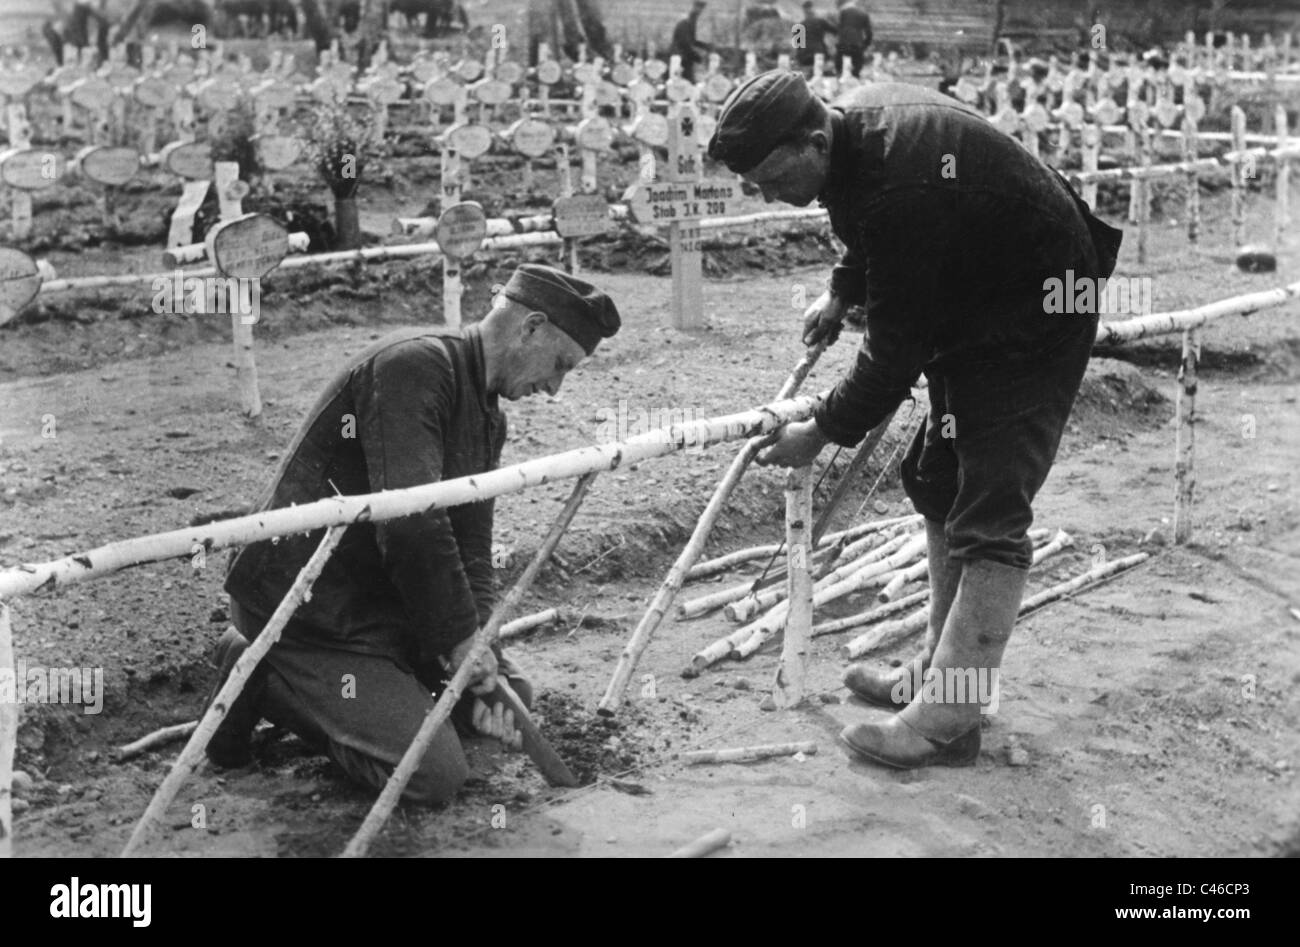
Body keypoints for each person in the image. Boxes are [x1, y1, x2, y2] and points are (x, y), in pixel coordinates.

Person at [707, 72, 1121, 769]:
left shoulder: (901, 184)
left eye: (771, 179)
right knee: (936, 480)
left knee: (989, 507)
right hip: (979, 290)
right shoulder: (851, 137)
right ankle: (935, 675)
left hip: (1038, 304)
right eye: (752, 186)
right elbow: (867, 230)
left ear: (813, 139)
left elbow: (890, 358)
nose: (765, 196)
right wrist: (841, 293)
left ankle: (947, 720)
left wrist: (819, 432)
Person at [207, 265, 621, 803]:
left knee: (504, 696)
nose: (554, 388)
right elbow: (411, 524)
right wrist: (454, 639)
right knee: (432, 777)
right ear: (531, 327)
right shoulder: (415, 367)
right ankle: (256, 667)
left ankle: (360, 692)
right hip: (307, 612)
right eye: (560, 365)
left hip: (378, 605)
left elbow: (471, 541)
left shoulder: (487, 412)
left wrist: (478, 643)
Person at [670, 0, 713, 83]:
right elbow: (686, 45)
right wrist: (698, 58)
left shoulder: (690, 24)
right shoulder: (684, 24)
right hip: (680, 60)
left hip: (686, 59)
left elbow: (692, 41)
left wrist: (706, 46)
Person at [795, 1, 837, 71]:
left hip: (804, 58)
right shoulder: (821, 21)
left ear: (804, 13)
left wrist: (798, 60)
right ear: (813, 11)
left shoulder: (798, 26)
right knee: (831, 64)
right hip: (819, 54)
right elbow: (835, 31)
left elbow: (797, 46)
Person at [834, 0, 872, 75]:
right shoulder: (864, 14)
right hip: (857, 45)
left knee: (840, 69)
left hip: (843, 45)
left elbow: (839, 28)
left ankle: (841, 81)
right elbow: (869, 33)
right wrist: (865, 45)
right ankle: (855, 79)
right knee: (856, 69)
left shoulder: (844, 12)